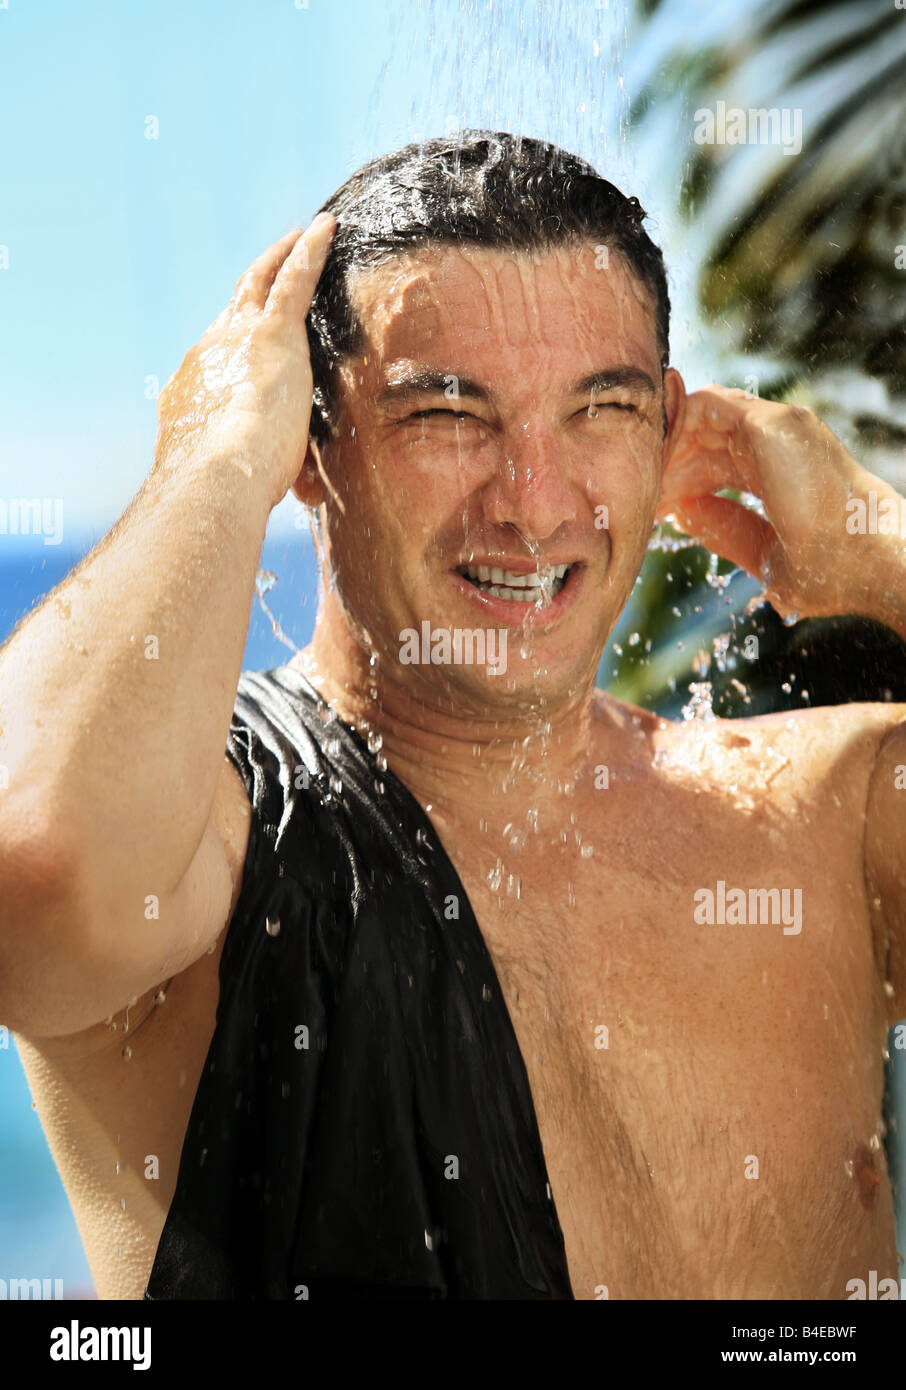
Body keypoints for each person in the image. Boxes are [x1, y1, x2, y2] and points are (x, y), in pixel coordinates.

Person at [2, 130, 905, 1301]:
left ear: (673, 431)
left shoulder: (822, 825)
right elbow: (33, 868)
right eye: (447, 415)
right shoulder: (213, 861)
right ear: (313, 448)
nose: (534, 502)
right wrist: (213, 454)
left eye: (601, 410)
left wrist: (878, 547)